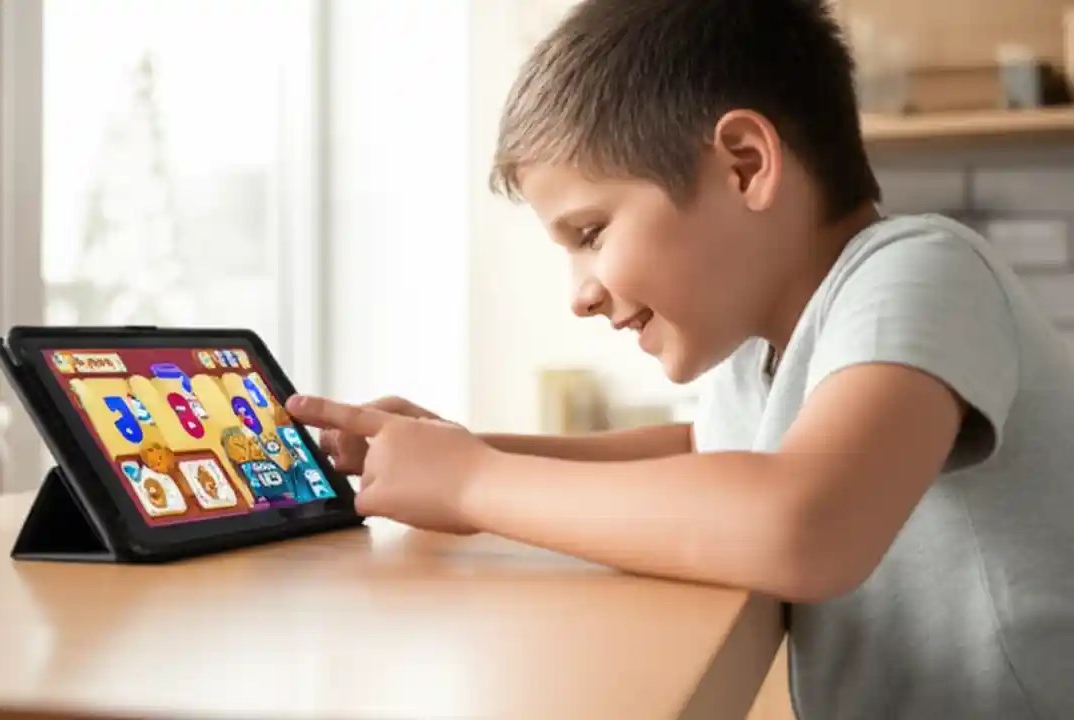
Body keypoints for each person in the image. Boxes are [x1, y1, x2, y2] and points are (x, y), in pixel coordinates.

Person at [287, 1, 1074, 716]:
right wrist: (462, 449)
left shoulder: (921, 270)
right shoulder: (759, 343)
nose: (581, 295)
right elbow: (706, 455)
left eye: (590, 234)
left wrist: (474, 482)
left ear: (745, 165)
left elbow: (801, 524)